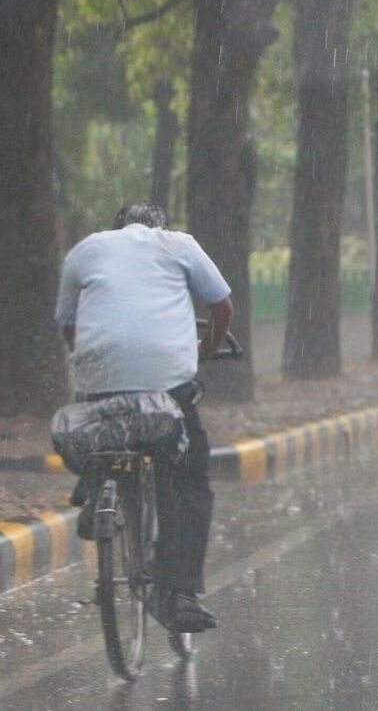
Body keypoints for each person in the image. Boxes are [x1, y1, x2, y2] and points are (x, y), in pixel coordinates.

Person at [55, 203, 233, 633]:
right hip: (165, 390)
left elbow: (68, 326)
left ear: (116, 229)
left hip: (101, 385)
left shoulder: (85, 250)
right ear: (160, 228)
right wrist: (203, 350)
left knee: (106, 428)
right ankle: (179, 593)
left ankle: (98, 483)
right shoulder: (179, 245)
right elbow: (223, 308)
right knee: (187, 472)